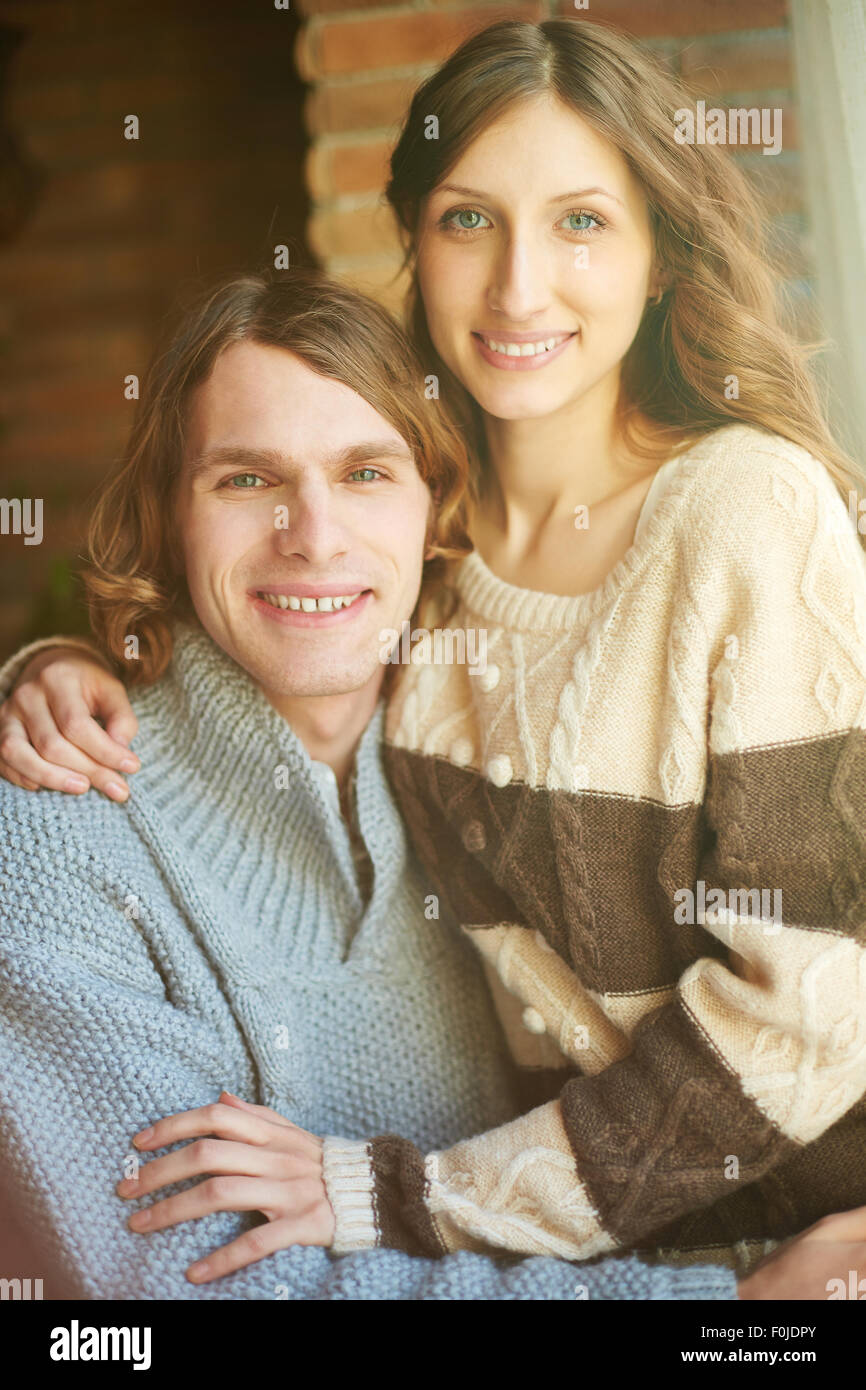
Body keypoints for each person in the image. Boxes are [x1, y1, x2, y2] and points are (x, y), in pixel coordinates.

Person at [3, 18, 866, 1290]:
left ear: (658, 257)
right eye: (469, 220)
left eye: (581, 220)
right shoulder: (434, 556)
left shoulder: (743, 511)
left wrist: (395, 1192)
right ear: (412, 240)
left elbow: (812, 1007)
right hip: (645, 1270)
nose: (519, 288)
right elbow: (268, 620)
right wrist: (60, 664)